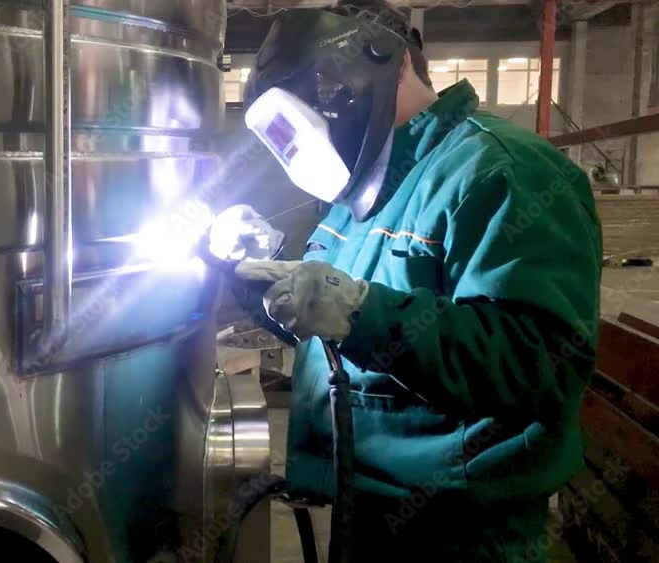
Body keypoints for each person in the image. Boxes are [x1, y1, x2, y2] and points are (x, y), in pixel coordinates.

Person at [217, 1, 604, 561]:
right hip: (367, 502)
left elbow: (541, 363)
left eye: (324, 93)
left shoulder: (503, 170)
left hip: (465, 532)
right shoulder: (360, 193)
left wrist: (360, 310)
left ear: (391, 61)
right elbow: (337, 342)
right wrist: (261, 279)